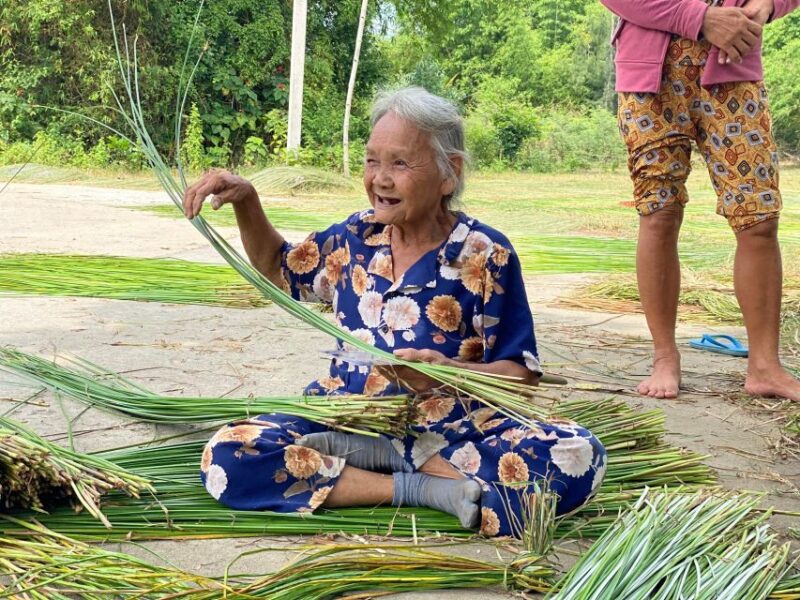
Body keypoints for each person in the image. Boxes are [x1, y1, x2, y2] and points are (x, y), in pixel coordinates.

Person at [184, 87, 606, 537]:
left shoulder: (486, 254)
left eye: (400, 163)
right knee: (229, 454)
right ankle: (417, 489)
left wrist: (450, 373)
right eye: (372, 161)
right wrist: (248, 201)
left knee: (578, 454)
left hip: (451, 428)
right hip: (343, 416)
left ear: (450, 173)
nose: (380, 179)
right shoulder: (353, 238)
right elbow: (278, 269)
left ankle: (390, 462)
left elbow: (522, 377)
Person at [601, 0, 800, 400]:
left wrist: (768, 5)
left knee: (758, 217)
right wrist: (701, 19)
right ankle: (664, 357)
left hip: (734, 73)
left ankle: (764, 365)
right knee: (659, 211)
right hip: (650, 82)